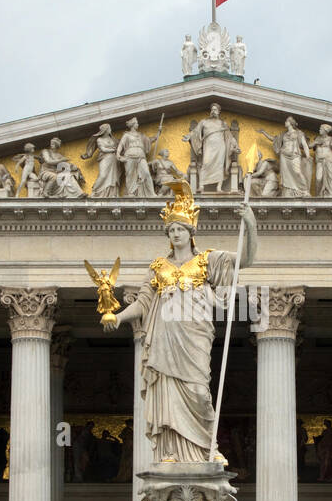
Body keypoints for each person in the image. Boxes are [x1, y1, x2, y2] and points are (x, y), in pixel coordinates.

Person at [100, 183, 257, 463]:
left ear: (190, 232)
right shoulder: (159, 267)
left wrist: (251, 223)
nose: (175, 234)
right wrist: (118, 316)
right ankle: (169, 452)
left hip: (194, 336)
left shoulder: (208, 260)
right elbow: (143, 302)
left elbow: (245, 260)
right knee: (167, 392)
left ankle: (208, 448)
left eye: (180, 230)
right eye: (171, 231)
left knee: (198, 391)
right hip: (164, 339)